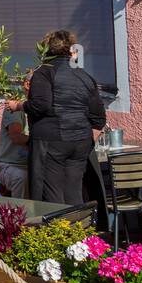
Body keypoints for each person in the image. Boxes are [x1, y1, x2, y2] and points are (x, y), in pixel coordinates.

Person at [25, 30, 105, 205]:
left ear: (46, 49)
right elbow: (99, 117)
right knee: (74, 191)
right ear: (71, 49)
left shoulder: (44, 72)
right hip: (81, 141)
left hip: (51, 141)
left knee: (52, 195)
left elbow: (41, 106)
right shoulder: (84, 76)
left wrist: (20, 105)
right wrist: (88, 134)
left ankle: (59, 230)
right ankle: (79, 230)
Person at [0, 72, 33, 199]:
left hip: (32, 163)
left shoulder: (39, 107)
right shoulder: (14, 107)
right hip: (11, 165)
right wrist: (40, 142)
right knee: (21, 178)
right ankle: (19, 216)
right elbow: (16, 136)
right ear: (27, 85)